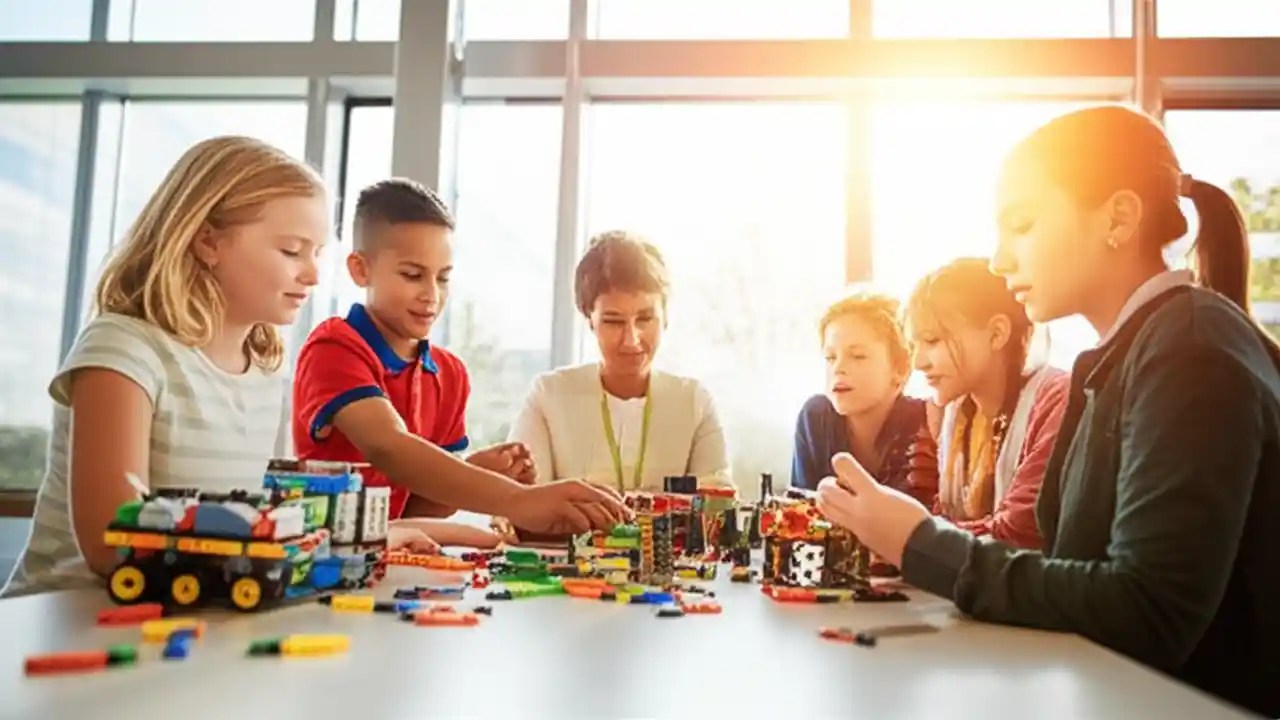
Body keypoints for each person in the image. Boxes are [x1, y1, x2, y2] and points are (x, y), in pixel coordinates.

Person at [815, 105, 1280, 717]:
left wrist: (920, 542)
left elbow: (1148, 610)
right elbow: (1074, 571)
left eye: (1023, 225)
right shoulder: (1127, 354)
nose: (1000, 260)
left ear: (1119, 218)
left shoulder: (1189, 352)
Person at [0, 137, 451, 596]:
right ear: (208, 242)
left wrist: (360, 541)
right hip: (68, 617)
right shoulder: (124, 349)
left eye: (316, 252)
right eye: (292, 251)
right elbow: (111, 543)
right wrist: (310, 550)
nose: (313, 274)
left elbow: (253, 524)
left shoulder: (264, 372)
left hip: (189, 612)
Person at [292, 179, 628, 538]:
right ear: (361, 269)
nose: (431, 294)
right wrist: (518, 499)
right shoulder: (334, 347)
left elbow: (415, 510)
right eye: (412, 275)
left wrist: (478, 471)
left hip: (393, 553)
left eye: (443, 278)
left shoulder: (449, 374)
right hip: (321, 553)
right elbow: (387, 446)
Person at [507, 230, 732, 494]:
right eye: (613, 321)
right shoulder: (549, 395)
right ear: (589, 319)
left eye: (645, 319)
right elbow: (520, 500)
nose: (631, 340)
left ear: (666, 318)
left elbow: (717, 497)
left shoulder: (694, 402)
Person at [906, 257, 1068, 549]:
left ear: (997, 334)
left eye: (932, 340)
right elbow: (939, 516)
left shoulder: (1055, 400)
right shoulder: (954, 414)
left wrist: (909, 536)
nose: (918, 362)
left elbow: (1021, 532)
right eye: (913, 346)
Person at [791, 291, 937, 507]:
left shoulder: (928, 424)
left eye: (857, 356)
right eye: (830, 357)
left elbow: (924, 519)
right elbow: (800, 508)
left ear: (901, 368)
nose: (838, 368)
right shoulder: (815, 418)